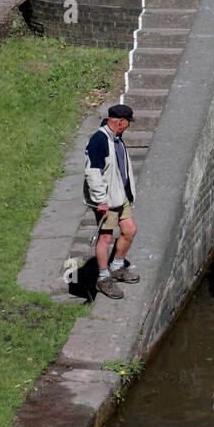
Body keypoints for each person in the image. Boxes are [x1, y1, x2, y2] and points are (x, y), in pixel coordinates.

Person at [84, 103, 139, 299]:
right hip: (107, 200)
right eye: (128, 122)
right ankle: (103, 278)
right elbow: (93, 172)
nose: (129, 126)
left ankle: (116, 267)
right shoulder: (99, 140)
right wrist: (100, 200)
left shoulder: (115, 137)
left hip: (120, 196)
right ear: (121, 122)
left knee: (129, 230)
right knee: (105, 237)